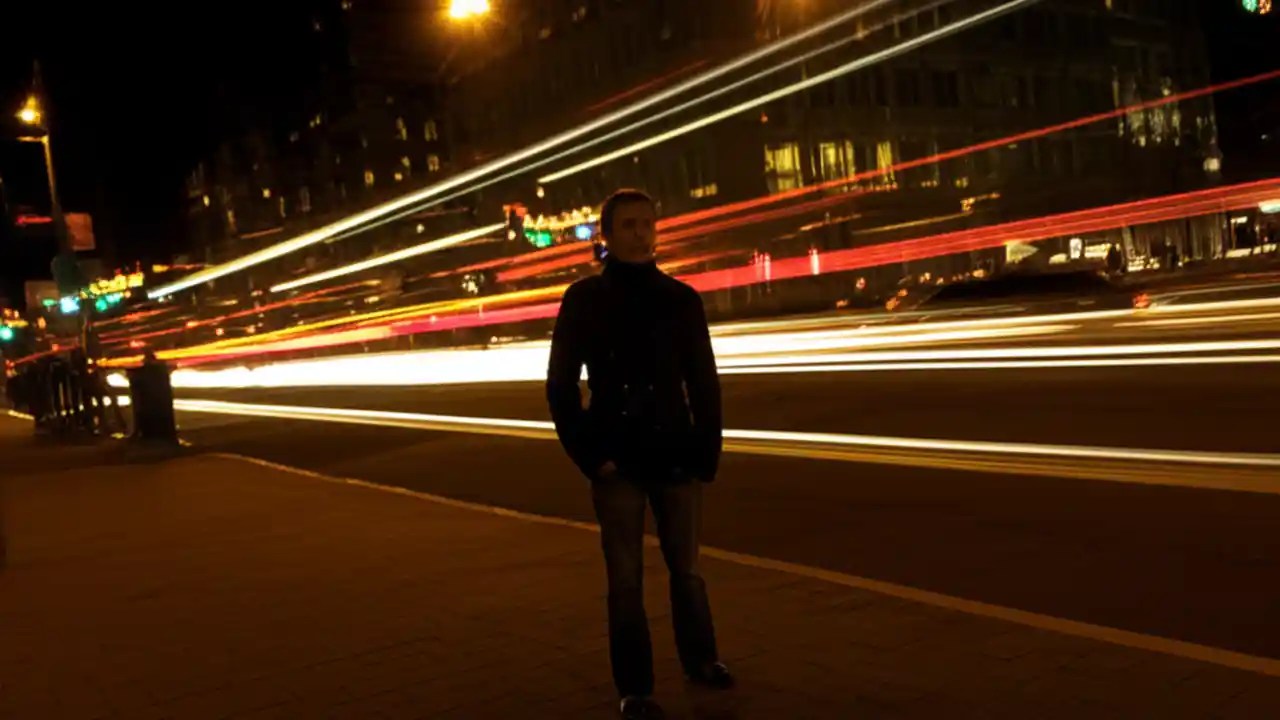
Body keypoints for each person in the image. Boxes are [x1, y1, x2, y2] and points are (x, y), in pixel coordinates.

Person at [547, 189, 732, 720]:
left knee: (687, 569)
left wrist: (705, 451)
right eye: (627, 224)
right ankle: (636, 687)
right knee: (624, 579)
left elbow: (704, 381)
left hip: (674, 452)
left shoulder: (680, 299)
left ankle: (702, 660)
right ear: (605, 235)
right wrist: (589, 454)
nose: (639, 232)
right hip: (617, 457)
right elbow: (561, 385)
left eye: (647, 223)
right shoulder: (584, 299)